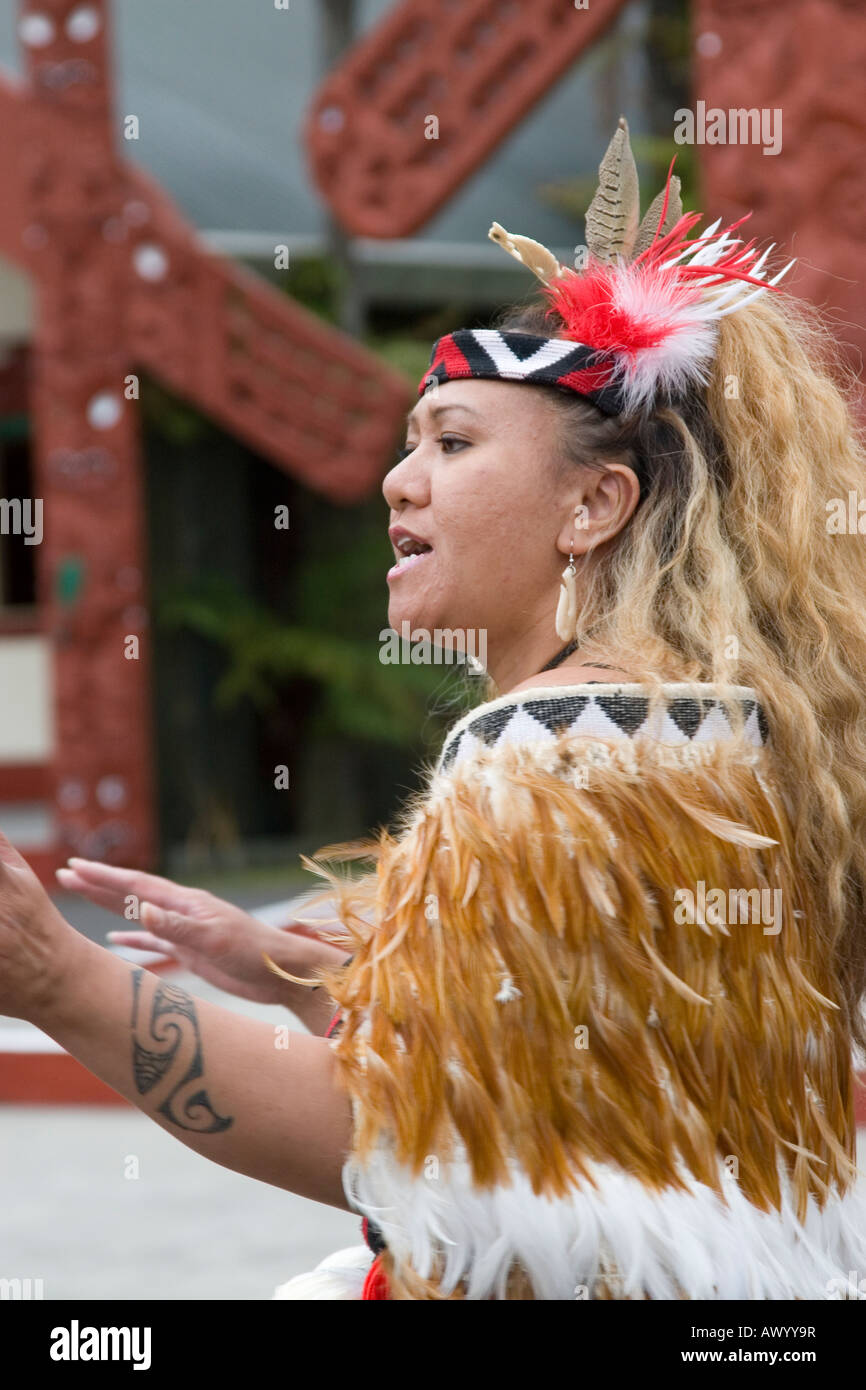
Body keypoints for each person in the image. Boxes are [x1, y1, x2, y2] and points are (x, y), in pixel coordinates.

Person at [3, 116, 866, 1299]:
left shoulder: (543, 756)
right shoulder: (724, 732)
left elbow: (407, 1146)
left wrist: (54, 973)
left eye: (452, 442)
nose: (396, 481)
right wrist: (304, 973)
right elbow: (593, 1075)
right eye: (410, 443)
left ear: (593, 505)